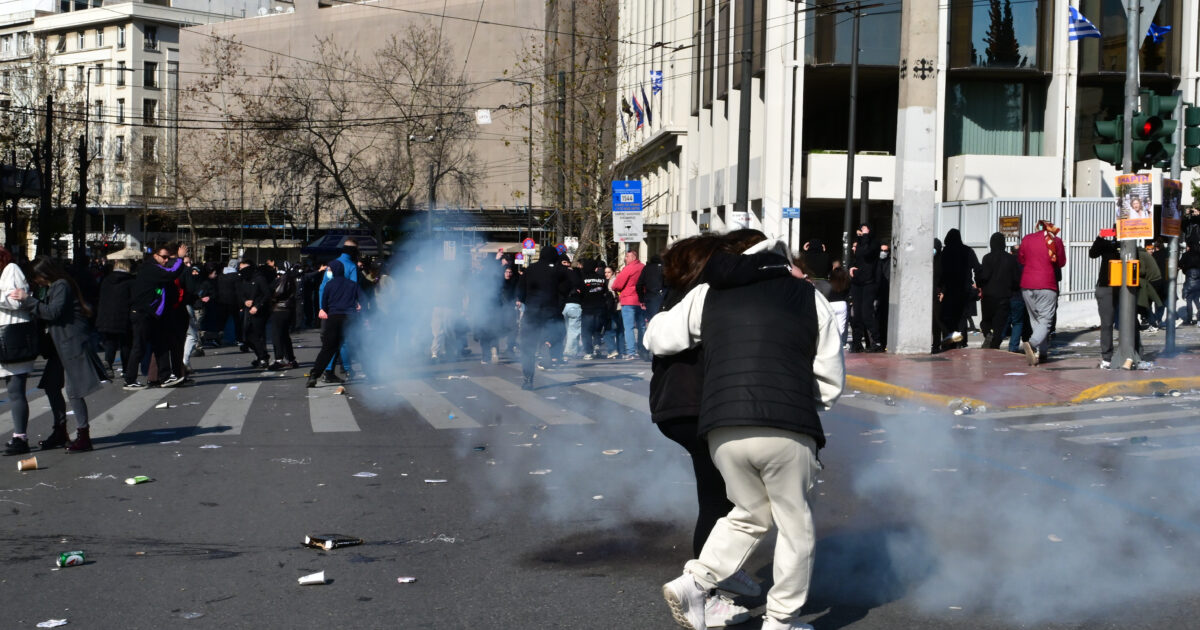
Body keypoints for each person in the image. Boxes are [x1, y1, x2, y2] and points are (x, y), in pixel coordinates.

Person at [647, 232, 844, 630]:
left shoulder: (708, 295)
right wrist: (809, 406)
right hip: (786, 426)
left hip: (722, 428)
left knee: (747, 513)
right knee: (794, 525)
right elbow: (829, 379)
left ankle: (695, 582)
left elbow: (658, 338)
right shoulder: (809, 297)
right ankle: (782, 621)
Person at [10, 257, 105, 453]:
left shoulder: (61, 285)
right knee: (52, 385)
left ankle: (83, 435)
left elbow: (53, 312)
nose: (37, 281)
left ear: (46, 273)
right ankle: (60, 430)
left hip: (71, 342)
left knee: (74, 391)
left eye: (37, 277)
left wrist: (28, 300)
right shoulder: (55, 285)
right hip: (59, 345)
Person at [124, 246, 185, 389]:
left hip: (152, 314)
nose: (166, 260)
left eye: (168, 257)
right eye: (164, 257)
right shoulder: (150, 268)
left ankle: (165, 376)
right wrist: (180, 259)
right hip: (142, 313)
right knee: (139, 347)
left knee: (161, 345)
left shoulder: (153, 268)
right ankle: (130, 379)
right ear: (155, 256)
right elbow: (171, 273)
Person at [517, 246, 571, 389]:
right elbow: (568, 287)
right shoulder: (557, 271)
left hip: (532, 314)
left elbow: (520, 292)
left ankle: (528, 379)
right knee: (557, 335)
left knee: (527, 347)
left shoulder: (529, 270)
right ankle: (547, 347)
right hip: (550, 314)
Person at [1, 248, 38, 455]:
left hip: (12, 339)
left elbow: (17, 301)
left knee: (16, 391)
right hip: (6, 339)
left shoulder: (11, 270)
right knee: (15, 390)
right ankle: (19, 436)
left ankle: (20, 437)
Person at [1018, 220, 1066, 366]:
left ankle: (1042, 353)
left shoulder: (1027, 239)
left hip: (1027, 284)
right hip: (1047, 284)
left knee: (1036, 320)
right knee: (1045, 320)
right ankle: (1032, 344)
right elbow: (1061, 262)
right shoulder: (1055, 241)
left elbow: (1021, 259)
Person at [306, 259, 359, 388]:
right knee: (355, 346)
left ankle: (314, 375)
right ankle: (369, 373)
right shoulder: (352, 284)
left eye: (329, 270)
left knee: (327, 348)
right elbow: (359, 300)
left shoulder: (329, 285)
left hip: (333, 318)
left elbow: (324, 304)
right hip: (349, 318)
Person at [319, 240, 360, 374]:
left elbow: (323, 287)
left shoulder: (332, 264)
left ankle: (328, 370)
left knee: (329, 342)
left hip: (329, 309)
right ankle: (347, 369)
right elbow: (354, 287)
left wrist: (321, 308)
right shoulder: (351, 265)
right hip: (345, 310)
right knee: (345, 341)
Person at [1089, 228, 1126, 369]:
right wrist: (1100, 237)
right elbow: (1092, 254)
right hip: (1107, 286)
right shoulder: (1107, 245)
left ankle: (1129, 352)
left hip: (1124, 288)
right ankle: (1107, 357)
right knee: (1107, 323)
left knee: (1128, 322)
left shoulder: (1129, 246)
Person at [937, 229, 979, 348]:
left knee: (949, 317)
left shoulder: (946, 252)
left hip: (950, 289)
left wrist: (940, 287)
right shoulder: (968, 250)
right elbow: (977, 268)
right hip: (964, 289)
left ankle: (951, 341)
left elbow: (941, 272)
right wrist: (978, 283)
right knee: (962, 317)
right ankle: (960, 342)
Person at [977, 232, 1019, 349]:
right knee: (999, 324)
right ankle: (994, 346)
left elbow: (984, 276)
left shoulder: (987, 258)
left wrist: (979, 283)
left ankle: (987, 333)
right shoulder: (1011, 259)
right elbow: (1016, 279)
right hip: (1004, 296)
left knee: (985, 321)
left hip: (988, 296)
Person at [95, 257, 135, 379]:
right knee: (126, 344)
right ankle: (126, 368)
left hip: (107, 316)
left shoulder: (106, 280)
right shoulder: (131, 281)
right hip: (124, 316)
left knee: (110, 343)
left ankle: (108, 363)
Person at [848, 223, 883, 352]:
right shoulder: (859, 243)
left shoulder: (874, 243)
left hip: (869, 282)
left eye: (864, 230)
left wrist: (866, 236)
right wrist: (851, 267)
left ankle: (877, 342)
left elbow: (868, 254)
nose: (862, 232)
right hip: (857, 282)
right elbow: (857, 258)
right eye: (861, 230)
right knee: (856, 315)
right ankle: (857, 343)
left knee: (866, 313)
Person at [610, 249, 646, 360]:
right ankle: (642, 349)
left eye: (627, 256)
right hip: (641, 300)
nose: (625, 258)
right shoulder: (643, 267)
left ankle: (631, 352)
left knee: (629, 327)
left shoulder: (629, 268)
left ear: (633, 257)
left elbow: (616, 285)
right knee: (642, 327)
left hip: (628, 300)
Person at [239, 263, 273, 369]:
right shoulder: (244, 279)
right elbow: (241, 293)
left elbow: (266, 294)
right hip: (248, 310)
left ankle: (262, 358)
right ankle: (261, 355)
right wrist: (245, 301)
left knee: (258, 335)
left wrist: (258, 306)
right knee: (246, 336)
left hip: (260, 311)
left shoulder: (259, 279)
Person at [269, 263, 300, 369]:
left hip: (280, 309)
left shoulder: (284, 278)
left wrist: (272, 298)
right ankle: (291, 359)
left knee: (277, 335)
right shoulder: (290, 277)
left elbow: (279, 291)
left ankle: (279, 359)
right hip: (287, 309)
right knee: (285, 336)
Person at [637, 254, 666, 319]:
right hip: (662, 296)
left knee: (652, 319)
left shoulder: (646, 268)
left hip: (649, 297)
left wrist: (641, 299)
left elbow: (639, 284)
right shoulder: (663, 268)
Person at [1181, 238, 1200, 325]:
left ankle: (1189, 319)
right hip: (1198, 279)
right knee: (1196, 299)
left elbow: (1180, 264)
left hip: (1189, 278)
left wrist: (1184, 270)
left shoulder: (1186, 255)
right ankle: (1199, 317)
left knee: (1189, 299)